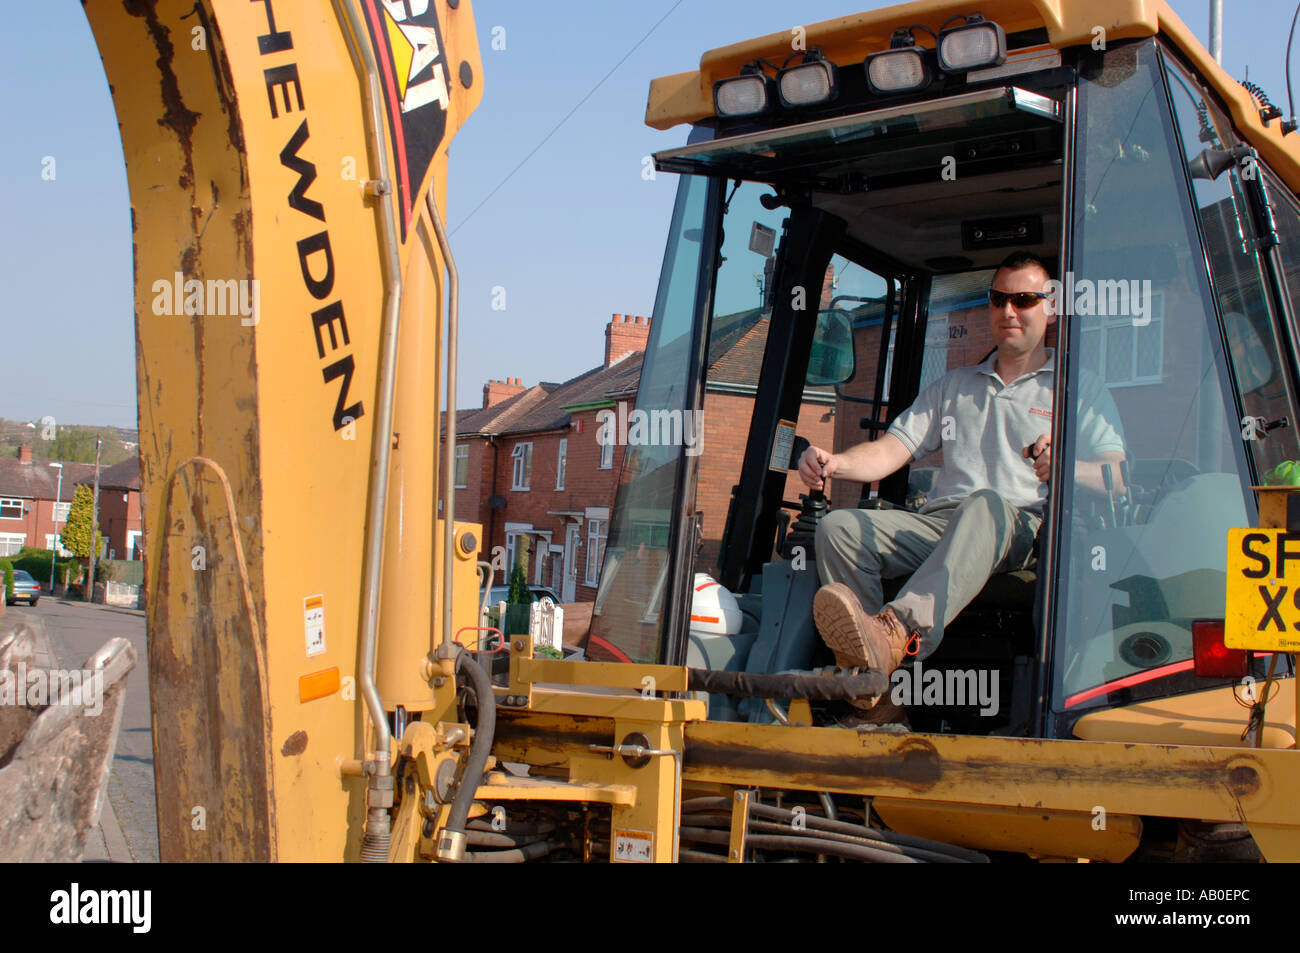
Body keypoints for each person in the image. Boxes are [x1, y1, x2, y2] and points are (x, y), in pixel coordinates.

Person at [798, 251, 1127, 706]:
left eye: (1025, 299)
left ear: (1051, 309)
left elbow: (1118, 476)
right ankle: (871, 685)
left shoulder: (1076, 388)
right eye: (998, 299)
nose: (1008, 311)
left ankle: (899, 631)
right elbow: (892, 450)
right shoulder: (954, 386)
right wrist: (834, 462)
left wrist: (1068, 465)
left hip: (1020, 529)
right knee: (840, 528)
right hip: (941, 523)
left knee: (985, 504)